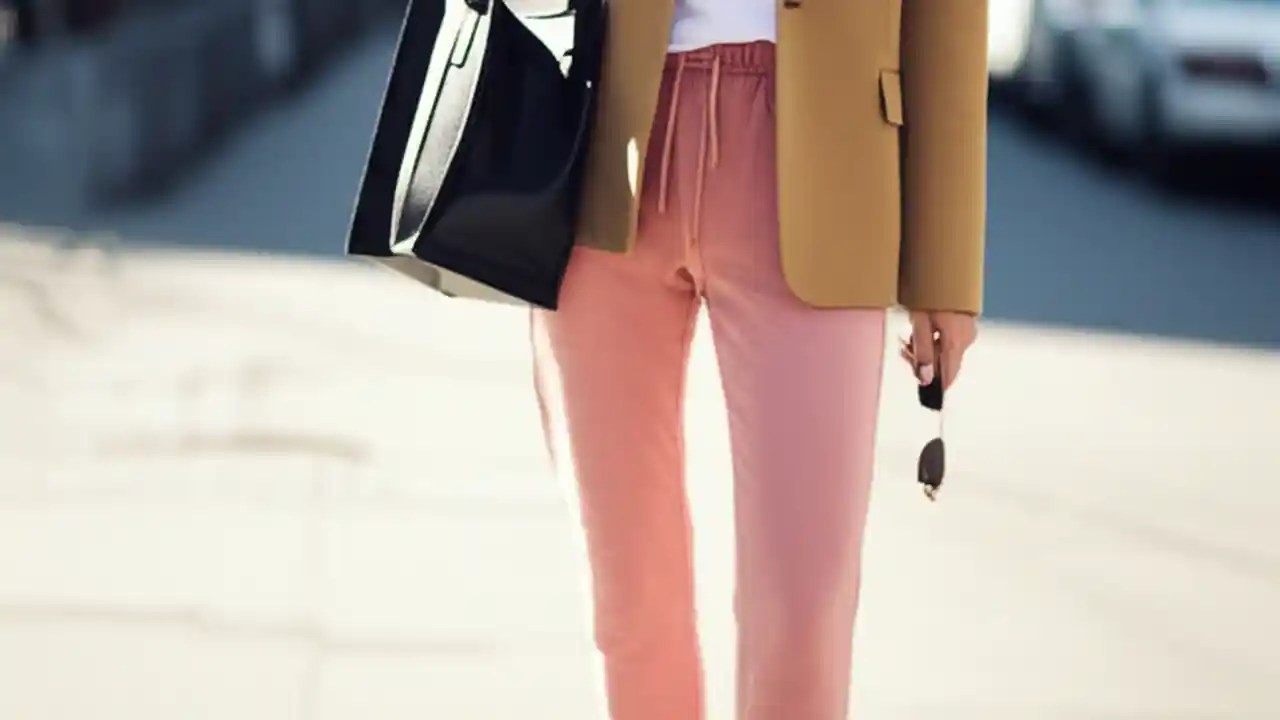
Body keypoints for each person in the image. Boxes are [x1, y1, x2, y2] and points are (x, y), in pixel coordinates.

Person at [531, 1, 987, 718]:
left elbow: (949, 18)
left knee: (803, 611)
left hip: (827, 156)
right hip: (603, 134)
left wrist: (945, 265)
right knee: (627, 597)